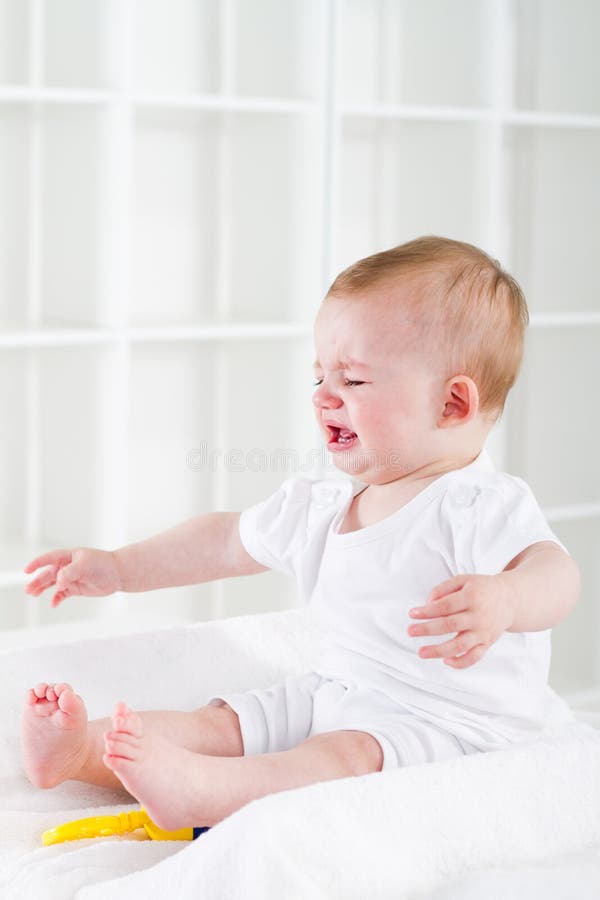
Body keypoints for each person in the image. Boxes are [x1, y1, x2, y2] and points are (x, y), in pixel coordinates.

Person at [21, 236, 581, 833]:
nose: (322, 397)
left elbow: (557, 574)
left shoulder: (474, 503)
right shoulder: (326, 501)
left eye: (354, 382)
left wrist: (506, 599)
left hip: (445, 724)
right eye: (319, 376)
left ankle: (204, 792)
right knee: (229, 721)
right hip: (338, 690)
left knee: (342, 757)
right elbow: (224, 542)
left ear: (451, 403)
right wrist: (119, 568)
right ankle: (81, 750)